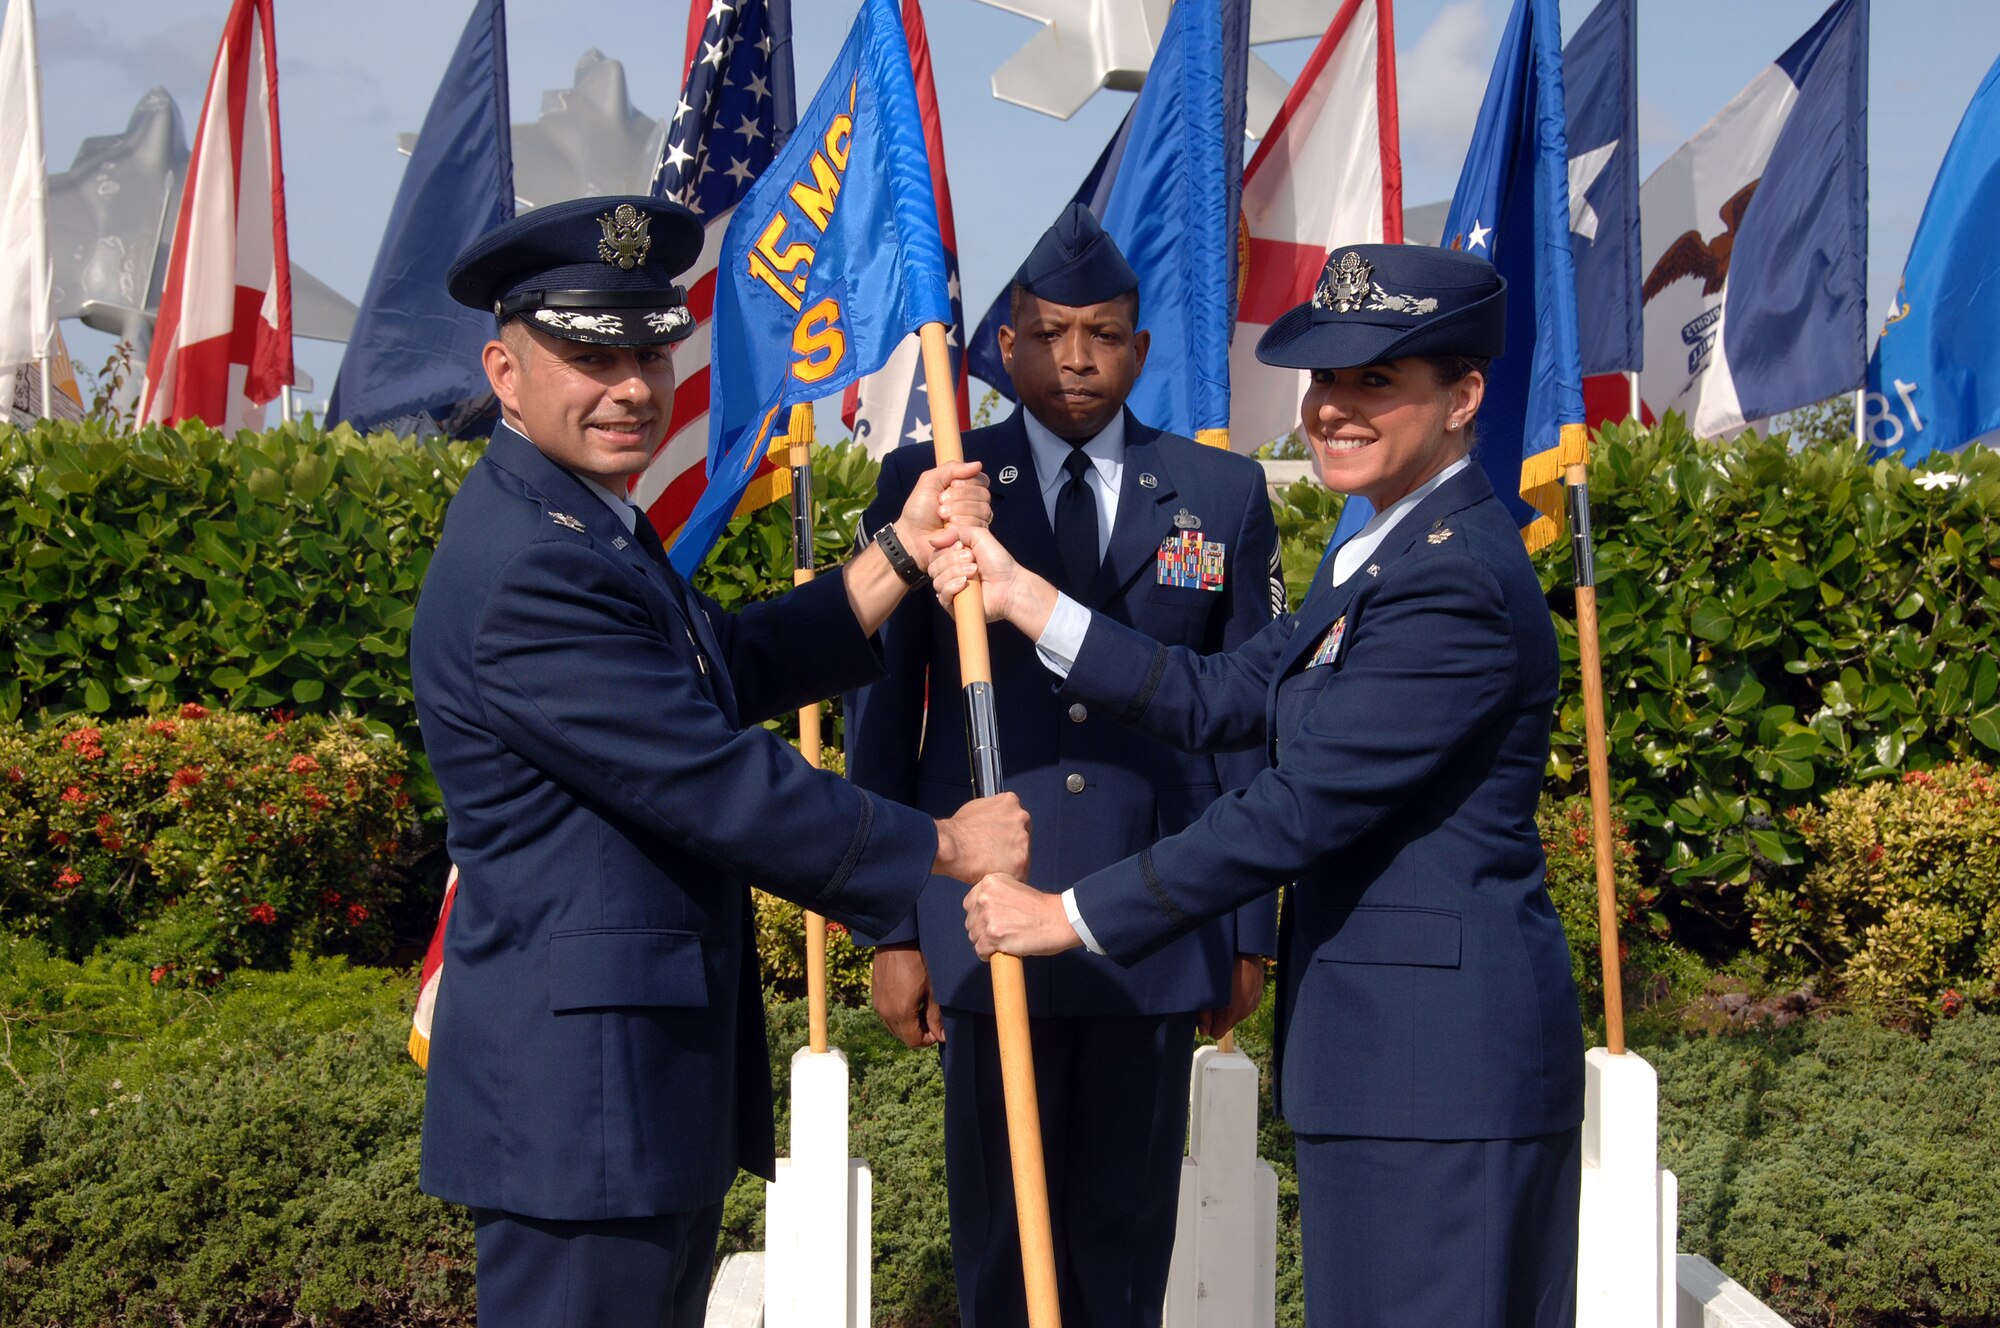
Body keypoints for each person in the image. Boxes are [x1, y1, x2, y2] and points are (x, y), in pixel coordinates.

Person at [937, 244, 1587, 1327]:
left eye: (1375, 380)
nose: (1333, 407)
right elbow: (1222, 690)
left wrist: (1069, 914)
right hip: (1390, 1065)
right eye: (1326, 378)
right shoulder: (1382, 550)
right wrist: (1020, 596)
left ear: (1464, 395)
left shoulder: (1450, 580)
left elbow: (1297, 805)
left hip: (1436, 1072)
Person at [408, 195, 1030, 1328]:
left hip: (623, 1087)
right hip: (584, 1100)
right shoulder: (530, 567)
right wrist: (938, 844)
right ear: (505, 370)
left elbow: (719, 663)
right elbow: (708, 775)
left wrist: (896, 553)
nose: (634, 385)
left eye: (650, 349)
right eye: (590, 355)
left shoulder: (582, 523)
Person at [847, 202, 1281, 1327]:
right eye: (1047, 331)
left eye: (1101, 332)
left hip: (1152, 911)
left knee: (1126, 1243)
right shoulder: (933, 484)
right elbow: (886, 722)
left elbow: (1242, 726)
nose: (1075, 356)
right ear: (1004, 346)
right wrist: (891, 927)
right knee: (1000, 1248)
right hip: (985, 916)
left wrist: (1246, 929)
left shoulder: (1218, 493)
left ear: (1139, 348)